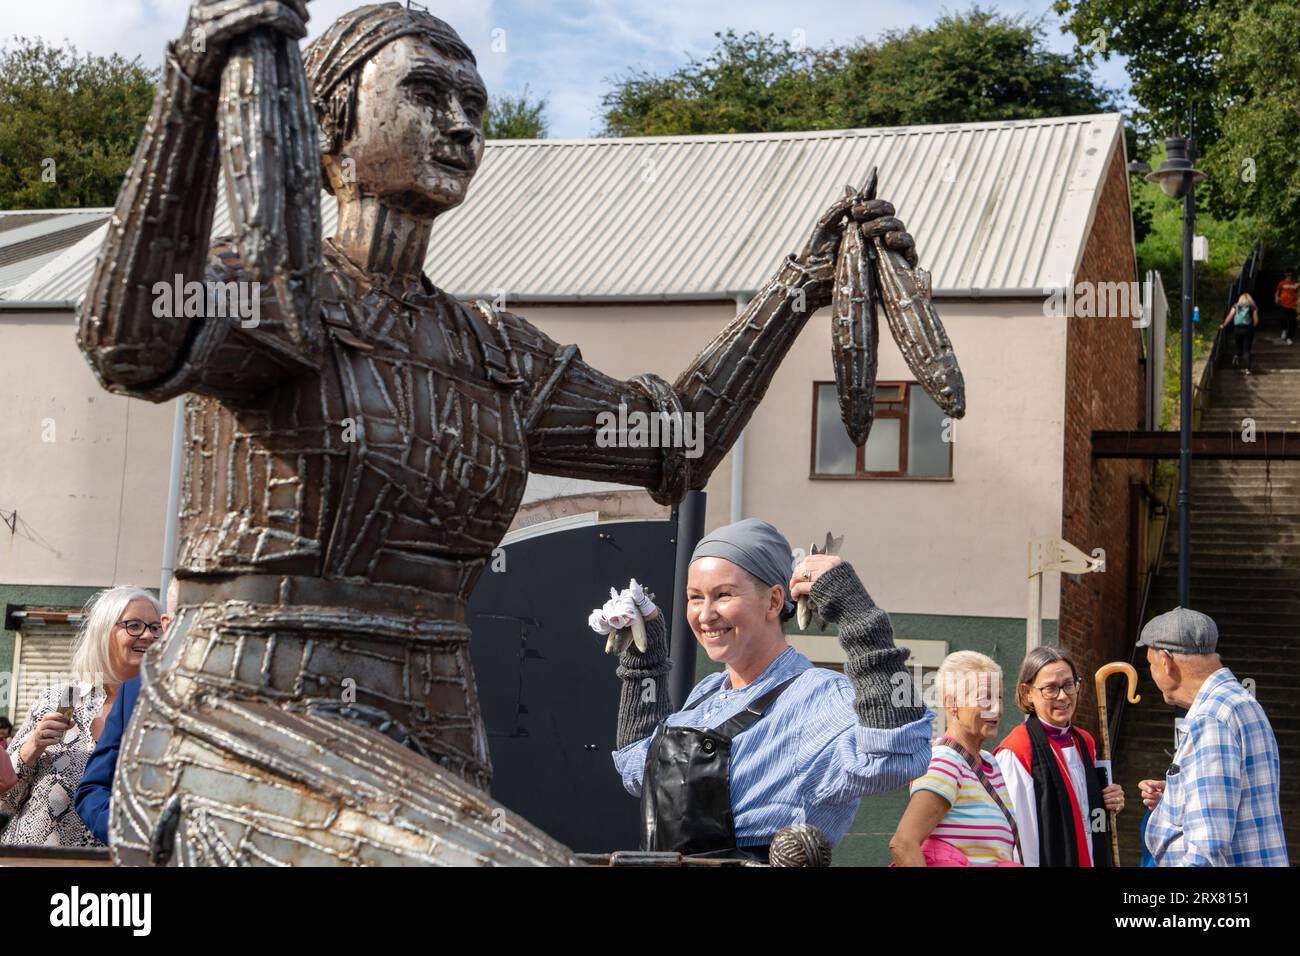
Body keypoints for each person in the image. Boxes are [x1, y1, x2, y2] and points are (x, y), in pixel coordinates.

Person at [77, 0, 926, 866]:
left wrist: (802, 284)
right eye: (424, 92)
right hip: (251, 724)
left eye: (474, 105)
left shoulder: (493, 352)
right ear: (330, 120)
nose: (458, 122)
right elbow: (126, 337)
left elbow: (680, 437)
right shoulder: (275, 296)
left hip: (435, 735)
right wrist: (198, 70)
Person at [593, 518, 932, 860]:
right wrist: (644, 659)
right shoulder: (709, 695)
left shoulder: (816, 698)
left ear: (773, 601)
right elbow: (638, 769)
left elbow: (900, 750)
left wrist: (859, 617)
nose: (706, 614)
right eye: (695, 598)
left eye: (723, 595)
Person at [0, 586, 163, 847]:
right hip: (34, 861)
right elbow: (5, 799)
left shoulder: (166, 712)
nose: (148, 635)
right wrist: (33, 746)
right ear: (103, 632)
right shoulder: (59, 699)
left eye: (156, 628)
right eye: (134, 625)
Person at [1138, 607, 1288, 866]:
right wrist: (1178, 797)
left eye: (1150, 664)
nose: (1152, 674)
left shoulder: (1211, 718)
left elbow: (1207, 846)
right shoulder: (1239, 701)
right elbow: (1235, 801)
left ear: (1166, 661)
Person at [992, 646, 1125, 867]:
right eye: (1050, 689)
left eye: (1068, 685)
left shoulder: (1085, 742)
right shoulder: (1017, 751)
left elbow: (1092, 820)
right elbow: (1018, 840)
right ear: (1027, 692)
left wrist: (1107, 804)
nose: (1063, 696)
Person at [891, 651, 1021, 866]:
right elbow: (904, 843)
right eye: (985, 698)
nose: (997, 709)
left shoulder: (990, 763)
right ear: (952, 703)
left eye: (999, 698)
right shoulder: (945, 761)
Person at [1222, 292, 1260, 374]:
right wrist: (1252, 326)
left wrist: (1224, 325)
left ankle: (1237, 355)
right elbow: (1256, 321)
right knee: (1247, 350)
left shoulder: (1235, 306)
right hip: (1248, 330)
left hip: (1237, 329)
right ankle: (1248, 369)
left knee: (1239, 346)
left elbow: (1230, 316)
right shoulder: (1252, 307)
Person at [1274, 271, 1297, 343]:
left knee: (1292, 322)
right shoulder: (1281, 283)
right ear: (1285, 275)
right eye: (1288, 275)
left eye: (1290, 275)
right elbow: (1277, 292)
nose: (1289, 276)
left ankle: (1289, 338)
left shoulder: (1295, 284)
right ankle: (1284, 330)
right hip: (1283, 304)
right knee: (1282, 318)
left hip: (1292, 305)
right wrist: (1276, 299)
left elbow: (1298, 293)